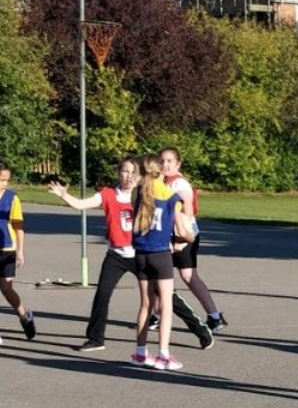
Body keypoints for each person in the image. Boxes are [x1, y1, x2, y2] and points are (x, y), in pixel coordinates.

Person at [49, 159, 214, 353]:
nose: (129, 176)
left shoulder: (144, 195)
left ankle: (201, 331)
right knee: (102, 294)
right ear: (119, 173)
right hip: (116, 255)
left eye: (133, 172)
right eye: (125, 171)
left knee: (166, 296)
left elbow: (166, 219)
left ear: (141, 175)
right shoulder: (108, 194)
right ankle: (95, 339)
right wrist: (64, 194)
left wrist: (173, 240)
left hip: (141, 253)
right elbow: (81, 204)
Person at [129, 154, 195, 371]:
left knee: (145, 304)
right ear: (161, 171)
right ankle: (163, 354)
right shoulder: (171, 196)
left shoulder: (138, 193)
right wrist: (188, 238)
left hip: (140, 254)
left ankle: (140, 352)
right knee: (166, 305)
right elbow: (183, 231)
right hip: (160, 255)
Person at [159, 146, 228, 334]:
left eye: (169, 161)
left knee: (188, 276)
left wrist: (182, 240)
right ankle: (157, 315)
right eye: (162, 161)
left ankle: (214, 317)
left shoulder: (179, 185)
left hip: (184, 235)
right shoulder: (162, 181)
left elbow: (188, 211)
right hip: (168, 235)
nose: (165, 164)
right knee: (161, 276)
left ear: (178, 163)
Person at [0, 161, 36, 345]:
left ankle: (23, 315)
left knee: (6, 288)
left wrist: (21, 250)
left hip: (7, 248)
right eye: (1, 179)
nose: (4, 183)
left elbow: (18, 226)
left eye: (6, 180)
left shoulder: (12, 198)